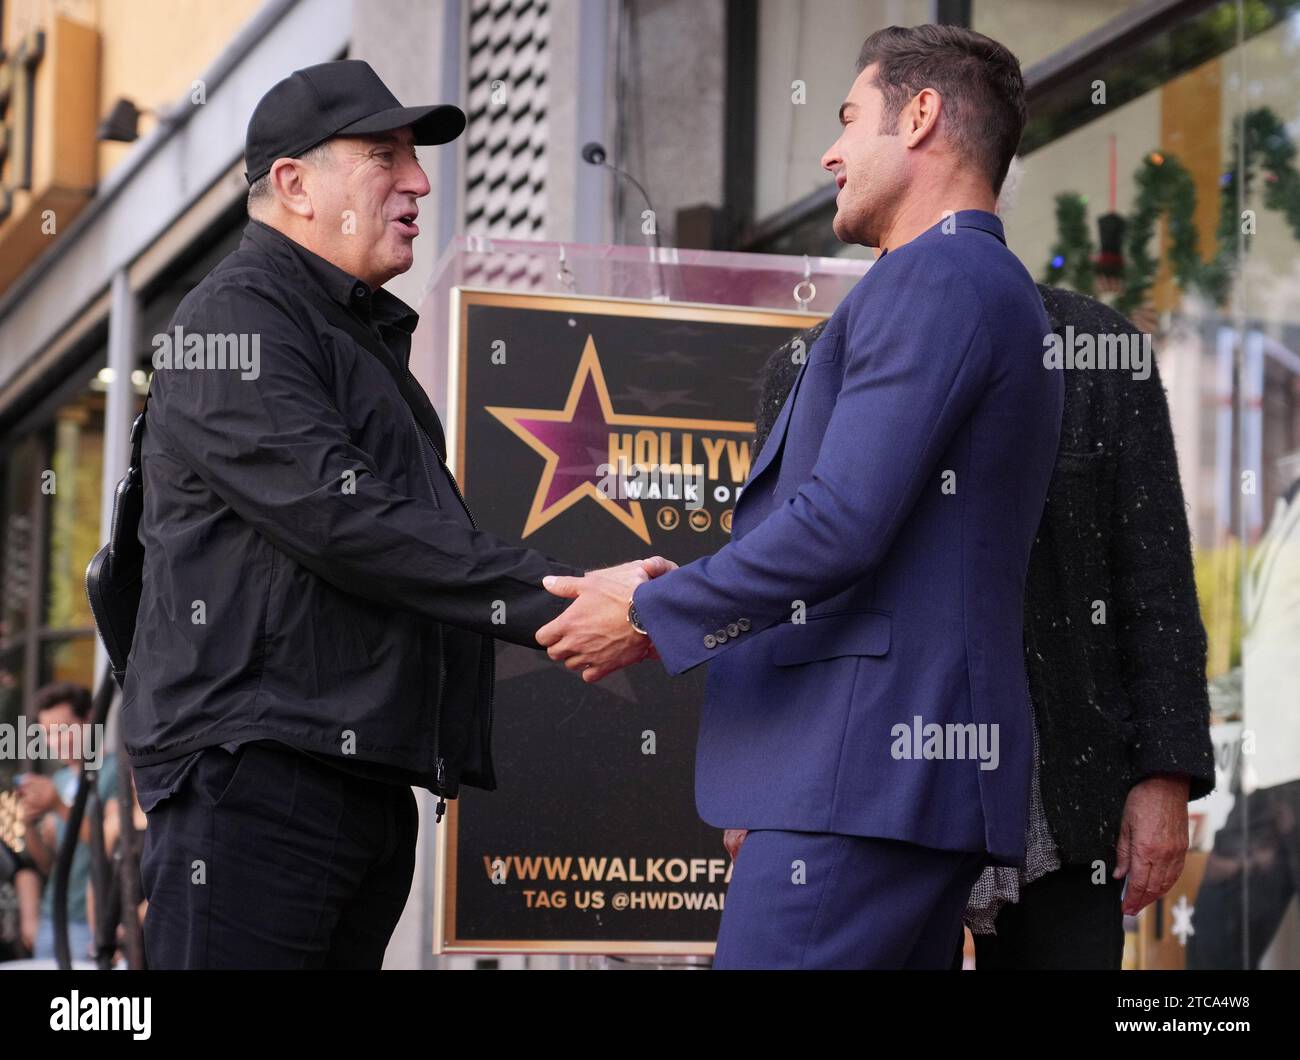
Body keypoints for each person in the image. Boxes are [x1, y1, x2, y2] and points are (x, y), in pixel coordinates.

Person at [124, 60, 670, 969]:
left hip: (347, 785)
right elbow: (351, 522)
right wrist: (565, 603)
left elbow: (388, 534)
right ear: (294, 185)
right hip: (257, 786)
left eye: (415, 157)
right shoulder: (235, 318)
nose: (419, 181)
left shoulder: (340, 331)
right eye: (384, 155)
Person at [537, 24, 1063, 968]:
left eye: (849, 119)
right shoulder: (972, 282)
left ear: (921, 116)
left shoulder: (938, 274)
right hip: (868, 782)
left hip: (859, 780)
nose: (828, 150)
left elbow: (839, 525)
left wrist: (653, 611)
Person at [734, 277, 1218, 970]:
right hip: (867, 803)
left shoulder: (1100, 349)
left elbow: (1155, 583)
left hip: (1068, 812)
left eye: (849, 154)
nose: (831, 160)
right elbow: (786, 589)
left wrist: (1165, 776)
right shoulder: (810, 364)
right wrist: (764, 783)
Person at [14, 682, 118, 963]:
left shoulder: (115, 772)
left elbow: (108, 845)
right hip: (52, 917)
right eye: (48, 733)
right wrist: (26, 826)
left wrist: (58, 805)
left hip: (91, 924)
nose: (56, 741)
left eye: (63, 730)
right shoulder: (59, 780)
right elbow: (50, 863)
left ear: (90, 720)